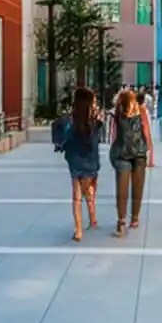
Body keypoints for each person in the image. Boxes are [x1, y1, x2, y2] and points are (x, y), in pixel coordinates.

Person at [59, 88, 101, 242]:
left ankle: (78, 230)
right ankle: (91, 219)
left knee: (77, 196)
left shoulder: (72, 121)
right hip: (89, 163)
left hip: (75, 162)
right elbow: (95, 144)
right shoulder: (94, 122)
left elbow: (66, 140)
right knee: (87, 192)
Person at [111, 89, 154, 237]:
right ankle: (133, 218)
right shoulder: (140, 111)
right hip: (139, 153)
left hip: (122, 152)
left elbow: (114, 134)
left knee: (122, 188)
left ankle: (122, 221)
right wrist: (151, 151)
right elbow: (146, 132)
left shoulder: (118, 112)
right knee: (137, 186)